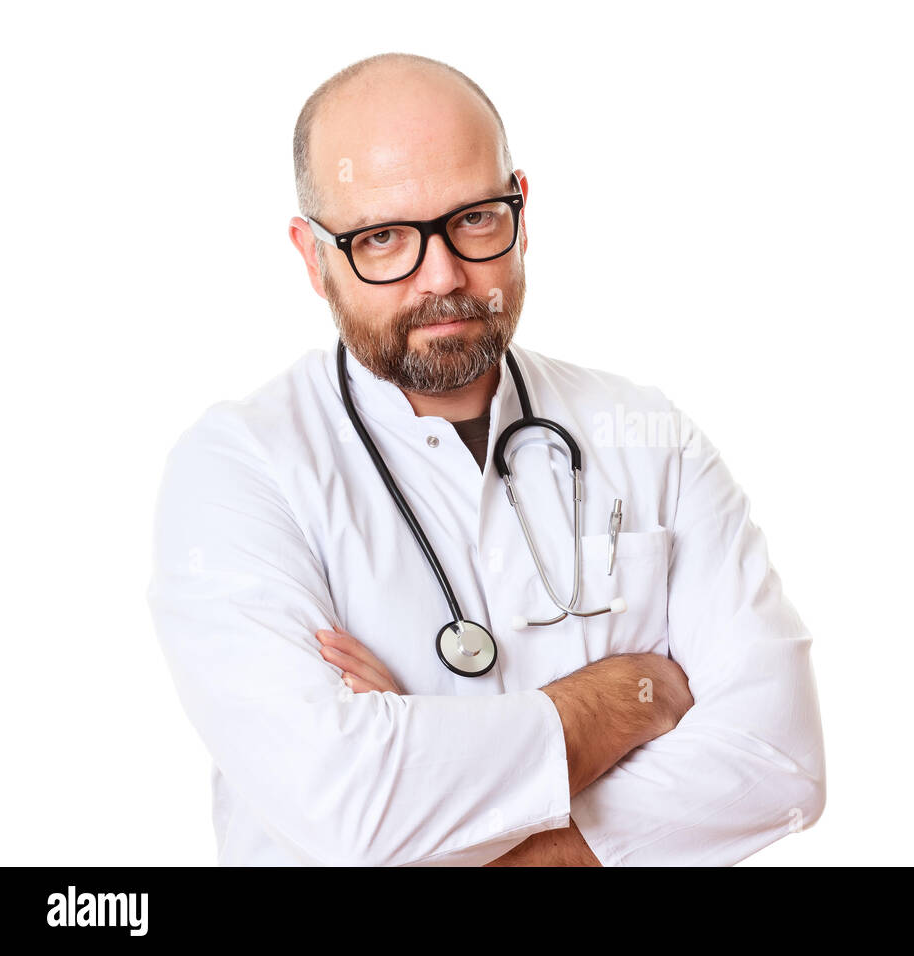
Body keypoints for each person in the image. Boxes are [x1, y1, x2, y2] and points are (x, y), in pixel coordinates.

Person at [146, 52, 826, 866]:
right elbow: (346, 803)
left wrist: (428, 758)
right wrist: (625, 700)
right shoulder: (238, 471)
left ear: (522, 210)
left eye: (474, 218)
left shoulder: (649, 435)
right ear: (312, 256)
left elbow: (779, 762)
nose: (442, 276)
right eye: (384, 237)